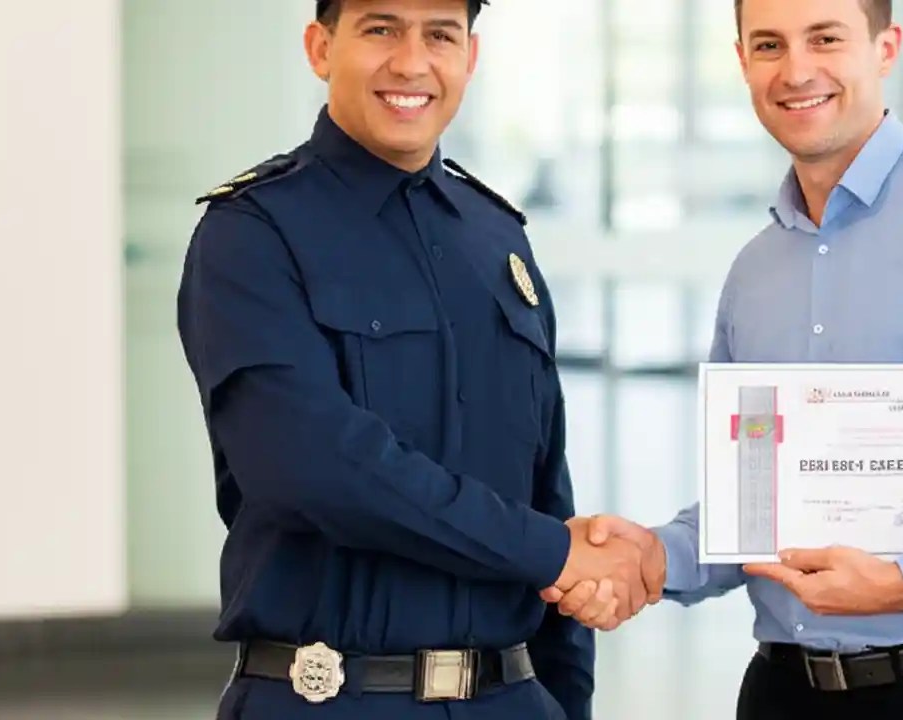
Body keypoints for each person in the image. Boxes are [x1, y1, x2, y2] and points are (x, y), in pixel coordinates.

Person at [542, 0, 903, 718]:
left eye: (825, 39)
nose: (796, 71)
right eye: (769, 45)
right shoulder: (754, 273)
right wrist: (652, 557)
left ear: (886, 48)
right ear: (742, 62)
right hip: (781, 693)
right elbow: (754, 505)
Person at [176, 1, 648, 718]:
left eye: (440, 35)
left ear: (470, 56)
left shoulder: (499, 241)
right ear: (319, 46)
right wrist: (550, 550)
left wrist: (567, 698)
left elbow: (547, 487)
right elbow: (316, 469)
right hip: (333, 701)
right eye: (380, 29)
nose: (411, 62)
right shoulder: (252, 236)